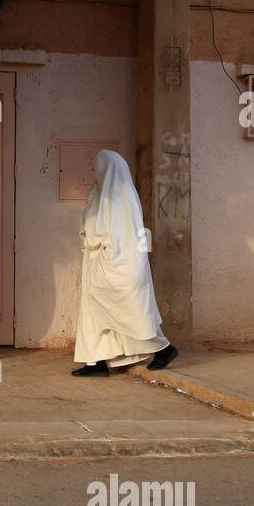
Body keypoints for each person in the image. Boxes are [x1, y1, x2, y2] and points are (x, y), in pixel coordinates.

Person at [72, 150, 177, 376]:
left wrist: (104, 250)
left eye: (97, 167)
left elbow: (121, 234)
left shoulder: (121, 196)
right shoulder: (100, 193)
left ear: (108, 169)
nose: (93, 172)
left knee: (129, 311)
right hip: (98, 259)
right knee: (94, 313)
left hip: (116, 262)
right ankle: (96, 361)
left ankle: (163, 348)